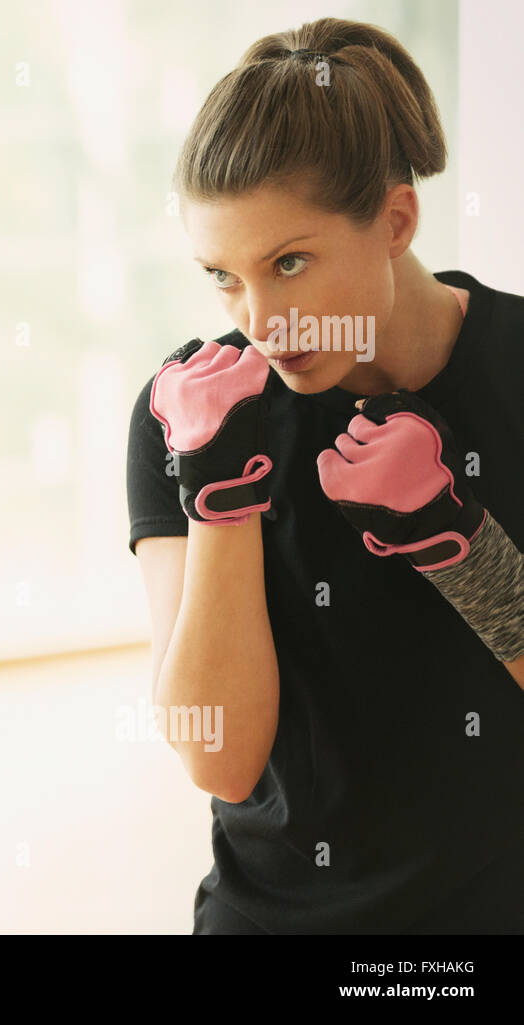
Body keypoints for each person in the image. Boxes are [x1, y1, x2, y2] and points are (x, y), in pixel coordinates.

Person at [126, 16, 524, 934]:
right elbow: (219, 760)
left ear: (395, 220)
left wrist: (459, 545)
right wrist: (219, 494)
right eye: (224, 276)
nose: (261, 317)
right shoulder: (188, 410)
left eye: (290, 262)